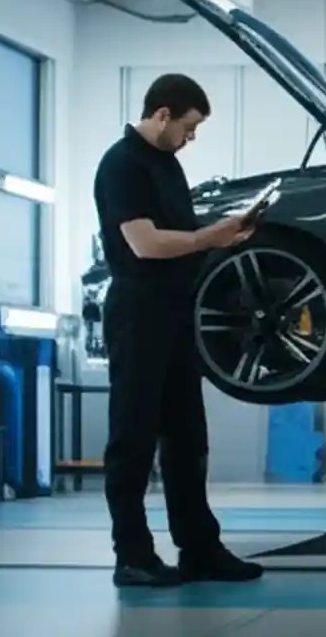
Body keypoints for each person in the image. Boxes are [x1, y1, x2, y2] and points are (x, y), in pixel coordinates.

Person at [93, 73, 264, 588]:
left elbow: (178, 235)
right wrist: (207, 237)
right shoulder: (121, 164)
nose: (192, 138)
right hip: (137, 314)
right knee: (134, 437)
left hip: (173, 312)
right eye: (189, 127)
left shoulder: (167, 165)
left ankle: (200, 548)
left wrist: (220, 235)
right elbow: (145, 244)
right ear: (162, 113)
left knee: (188, 438)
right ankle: (132, 555)